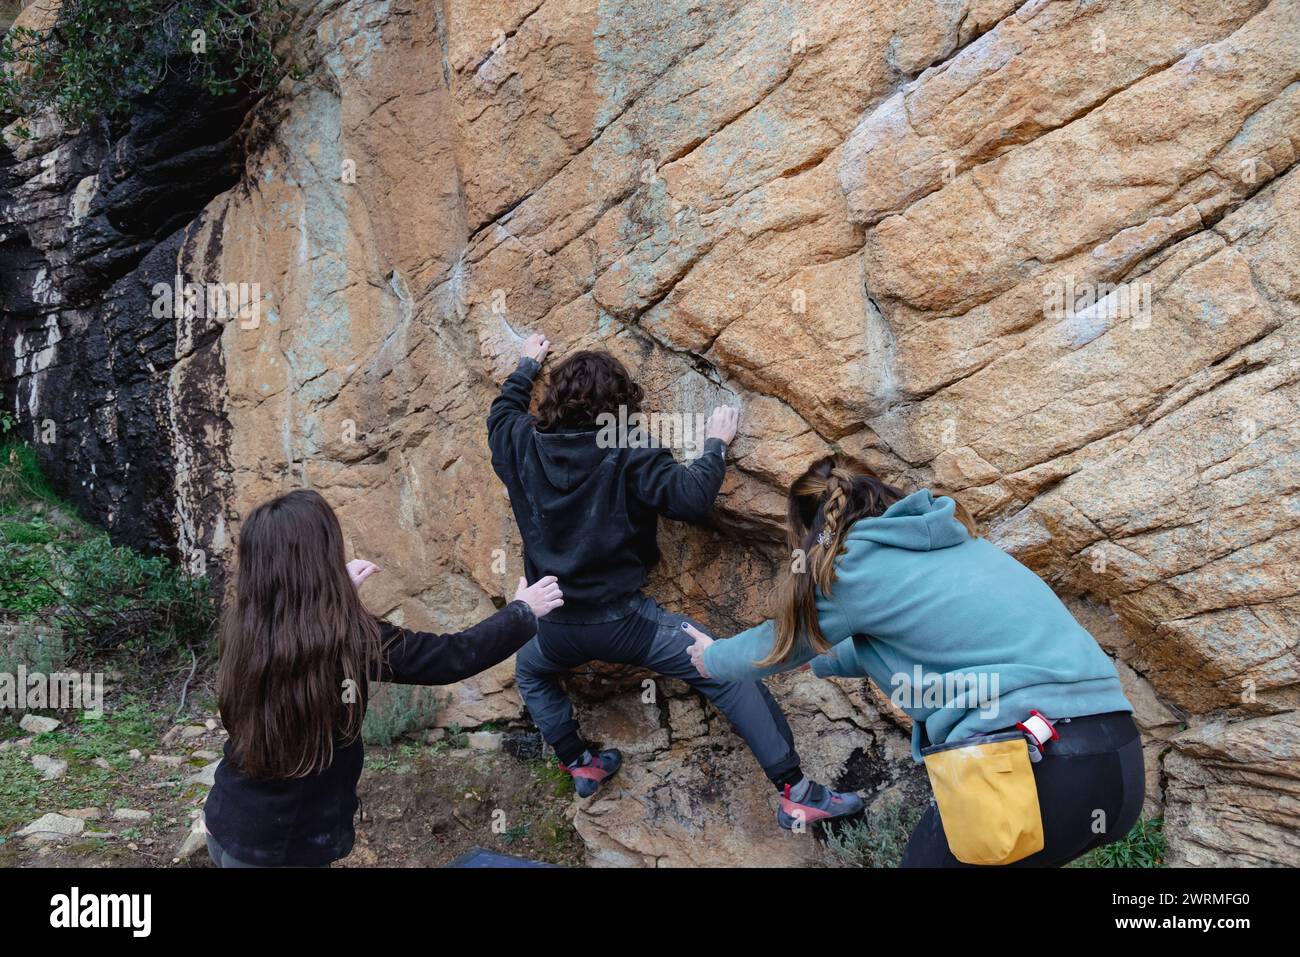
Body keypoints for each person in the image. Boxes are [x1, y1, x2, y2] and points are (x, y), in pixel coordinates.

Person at [685, 455, 1143, 867]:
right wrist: (822, 661)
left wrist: (714, 659)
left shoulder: (854, 567)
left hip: (1032, 765)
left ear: (813, 534)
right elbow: (904, 633)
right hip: (1117, 761)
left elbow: (779, 642)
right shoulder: (955, 544)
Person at [487, 334, 863, 830]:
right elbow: (688, 499)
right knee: (722, 670)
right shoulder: (626, 447)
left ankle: (579, 762)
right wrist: (715, 444)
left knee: (531, 671)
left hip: (550, 620)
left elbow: (499, 414)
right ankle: (796, 792)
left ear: (552, 398)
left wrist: (526, 366)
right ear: (619, 406)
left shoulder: (518, 443)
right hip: (627, 624)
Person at [204, 488, 563, 867]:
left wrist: (332, 593)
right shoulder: (347, 637)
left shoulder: (242, 625)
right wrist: (523, 612)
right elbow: (450, 657)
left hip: (227, 823)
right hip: (282, 852)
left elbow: (293, 620)